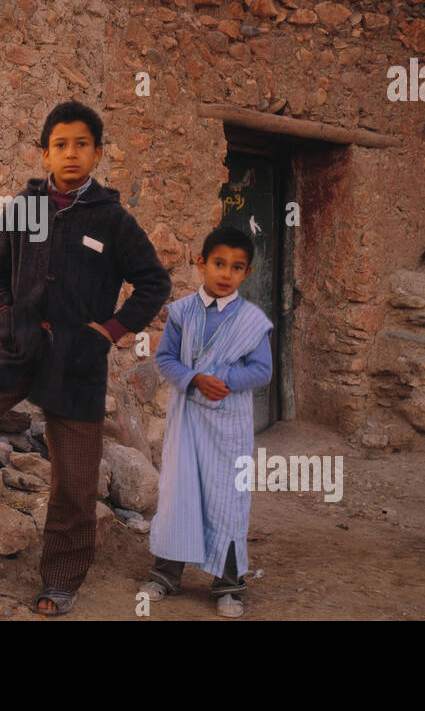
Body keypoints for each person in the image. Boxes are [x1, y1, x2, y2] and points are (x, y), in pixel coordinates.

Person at [0, 100, 171, 616]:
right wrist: (4, 316)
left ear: (98, 153)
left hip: (78, 363)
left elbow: (154, 283)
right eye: (60, 145)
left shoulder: (113, 219)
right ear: (44, 154)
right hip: (18, 349)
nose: (71, 153)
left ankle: (60, 579)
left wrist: (110, 331)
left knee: (76, 484)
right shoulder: (27, 207)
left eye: (82, 144)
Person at [142, 225, 274, 617]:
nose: (225, 274)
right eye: (218, 263)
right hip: (187, 419)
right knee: (178, 492)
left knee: (228, 501)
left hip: (230, 424)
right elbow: (165, 359)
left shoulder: (252, 321)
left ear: (246, 274)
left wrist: (227, 381)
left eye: (236, 267)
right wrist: (193, 378)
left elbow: (262, 369)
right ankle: (166, 574)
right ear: (201, 263)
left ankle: (228, 586)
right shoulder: (181, 312)